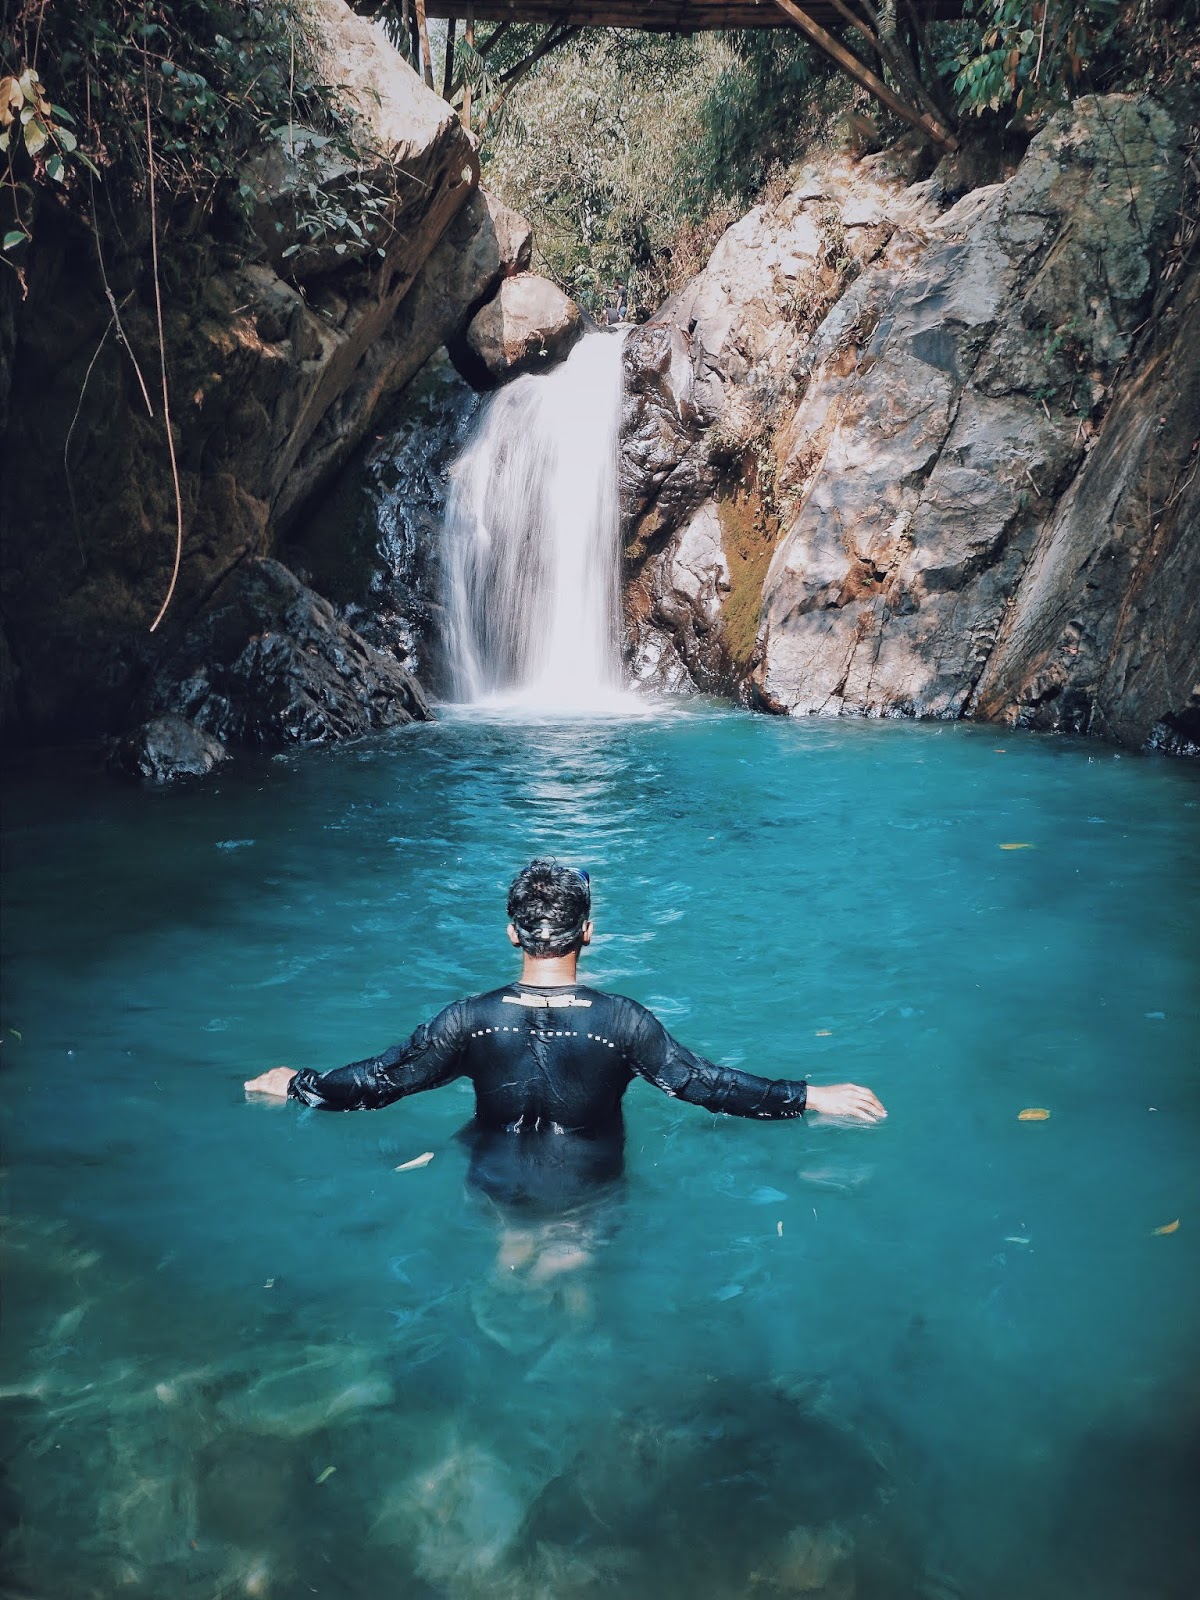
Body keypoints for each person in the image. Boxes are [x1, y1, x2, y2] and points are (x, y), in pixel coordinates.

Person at [244, 860, 886, 1206]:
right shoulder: (624, 1022)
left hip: (493, 1183)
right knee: (573, 1317)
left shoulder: (467, 1019)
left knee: (501, 1300)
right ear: (587, 933)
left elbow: (379, 1083)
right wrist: (809, 1097)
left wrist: (296, 1085)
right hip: (591, 1187)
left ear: (511, 932)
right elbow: (706, 1086)